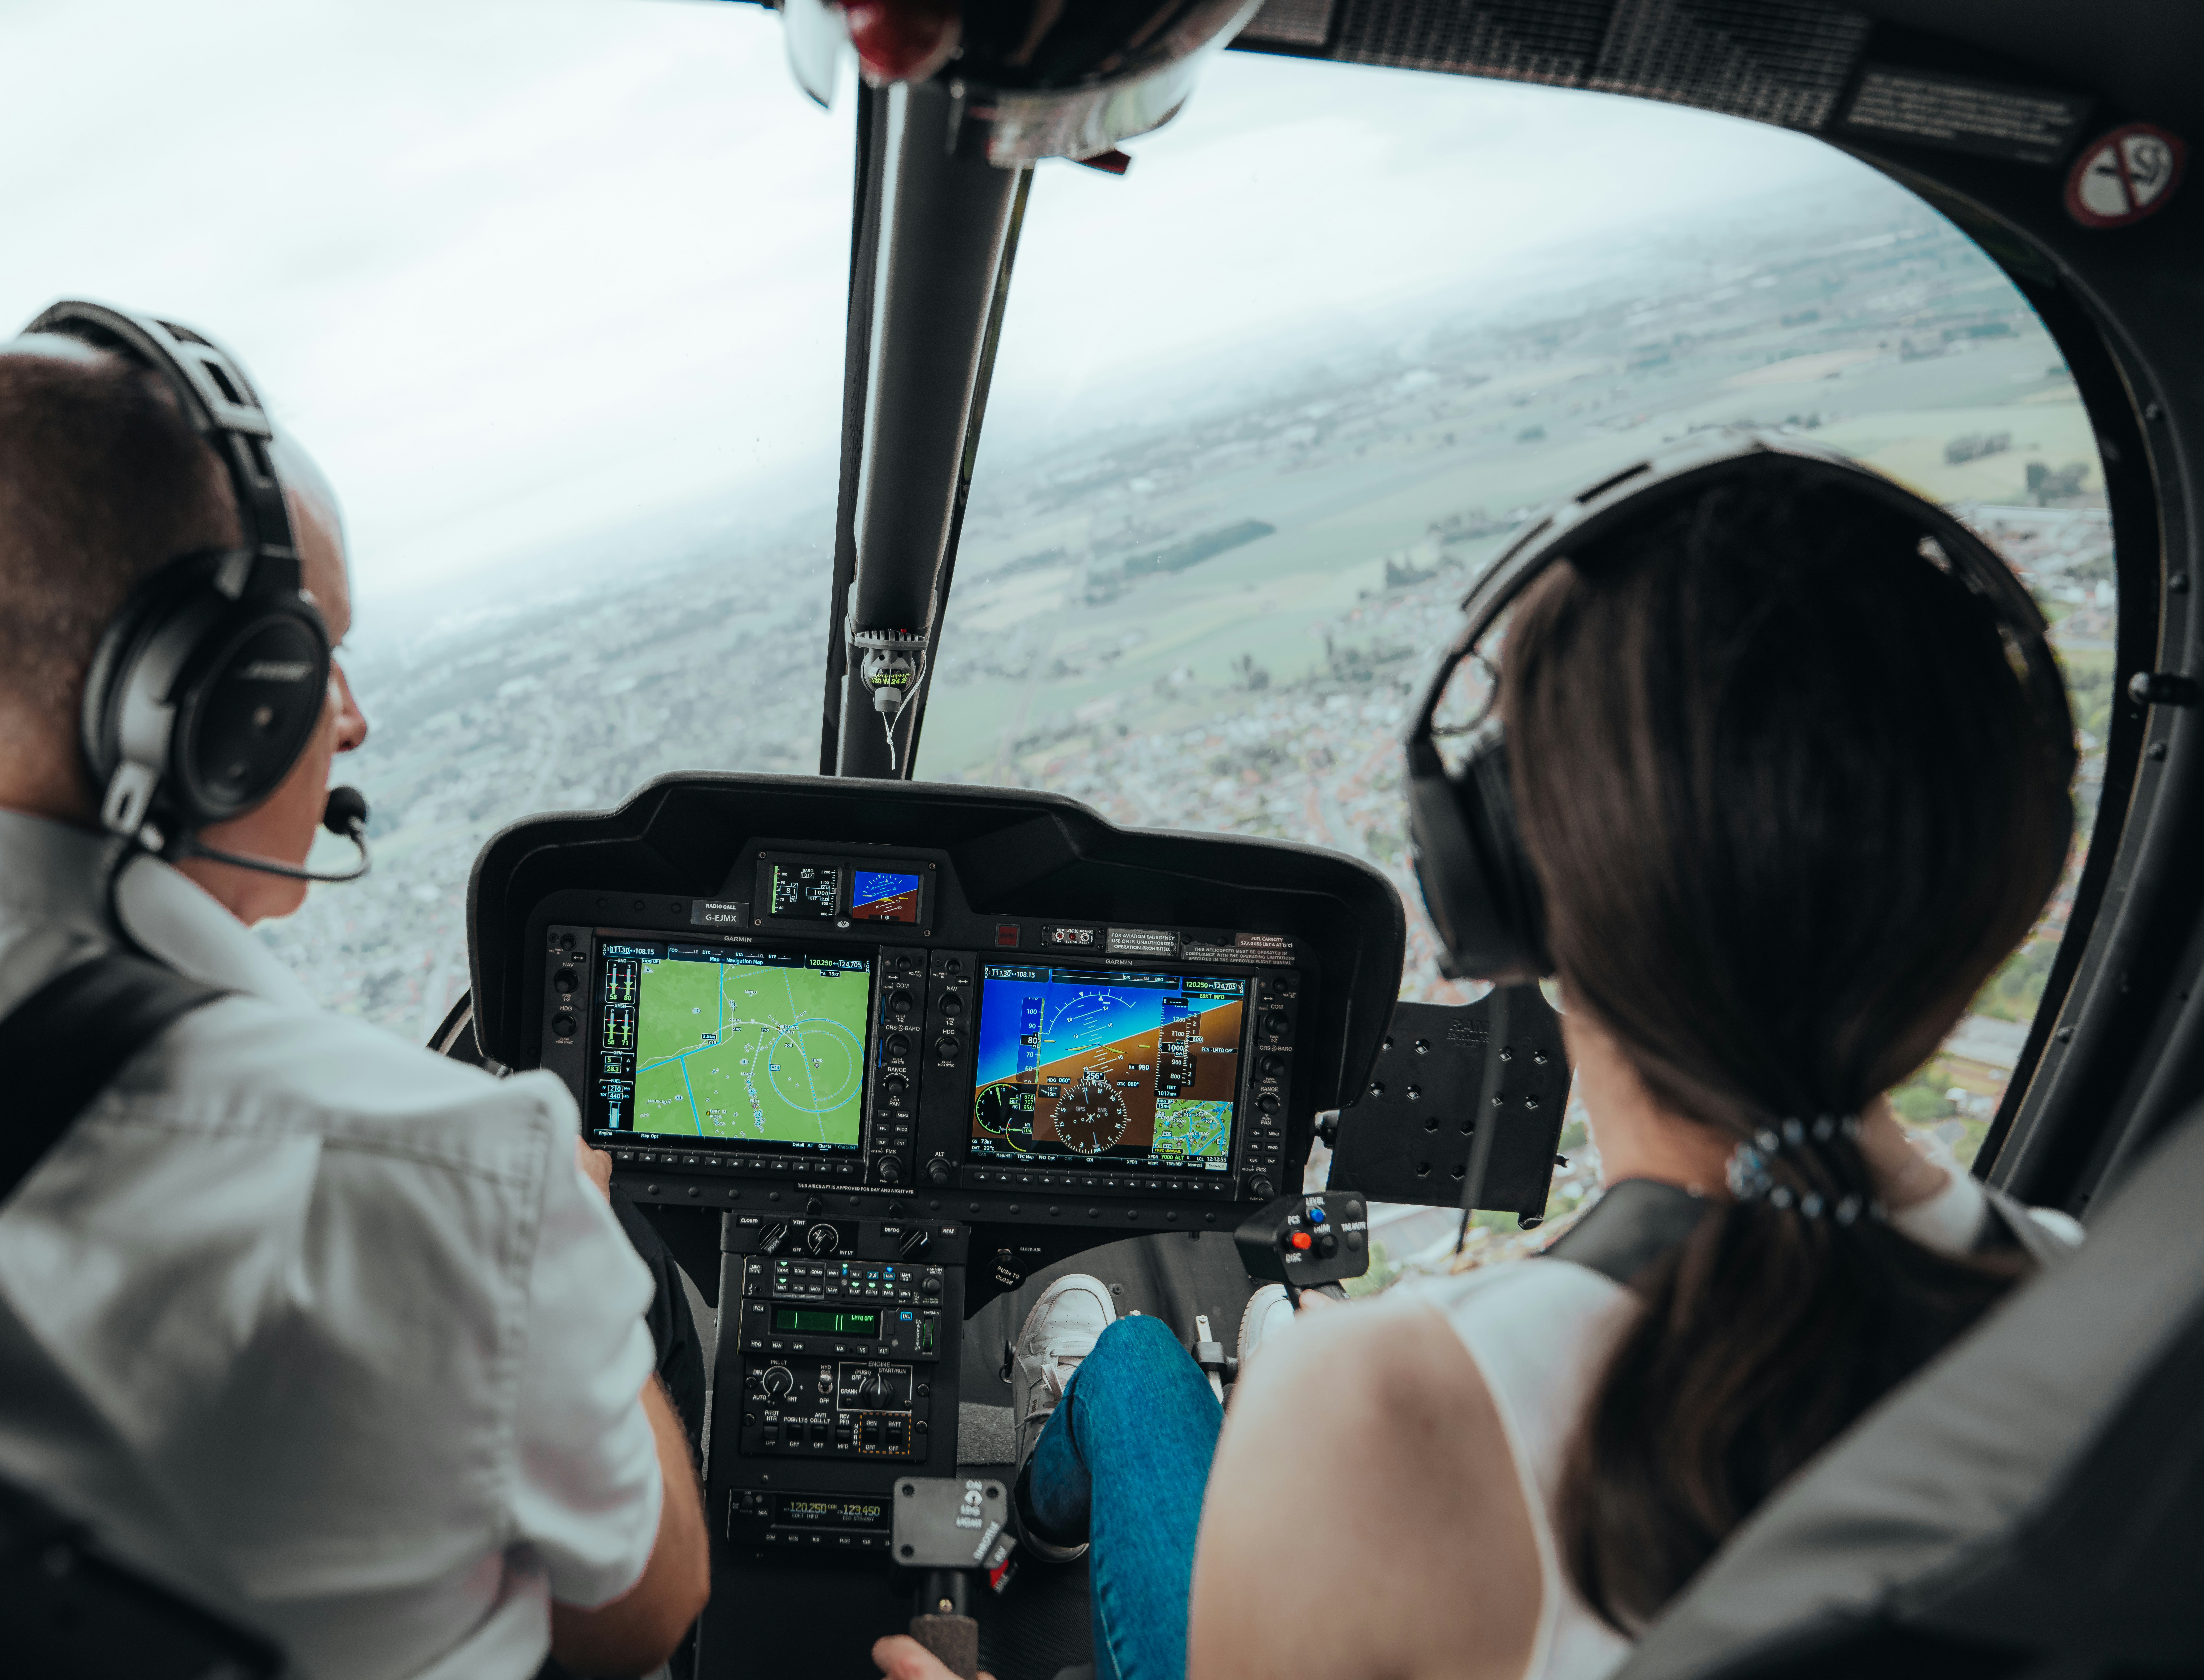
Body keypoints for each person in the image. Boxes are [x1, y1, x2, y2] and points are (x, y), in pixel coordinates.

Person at [874, 454, 2077, 1680]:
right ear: (2003, 868)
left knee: (1133, 1369)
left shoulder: (1385, 1407)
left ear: (1494, 882)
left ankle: (1051, 1481)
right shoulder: (2106, 1305)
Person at [0, 332, 708, 1679]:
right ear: (210, 705)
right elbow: (643, 1615)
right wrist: (580, 1258)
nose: (354, 720)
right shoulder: (441, 1168)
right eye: (321, 655)